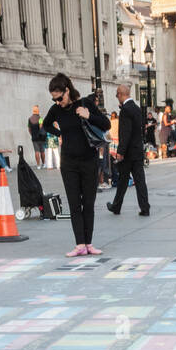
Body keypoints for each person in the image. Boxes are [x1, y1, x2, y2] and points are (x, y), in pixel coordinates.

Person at [42, 71, 110, 257]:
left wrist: (89, 116)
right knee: (74, 204)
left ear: (67, 90)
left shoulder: (85, 104)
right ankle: (79, 244)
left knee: (88, 203)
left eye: (59, 98)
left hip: (89, 160)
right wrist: (59, 134)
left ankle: (89, 243)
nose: (57, 102)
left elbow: (106, 124)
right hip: (69, 163)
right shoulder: (55, 110)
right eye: (54, 99)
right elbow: (45, 125)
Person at [107, 82, 150, 218]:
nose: (116, 97)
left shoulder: (125, 110)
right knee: (140, 181)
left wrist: (120, 152)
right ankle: (145, 207)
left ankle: (116, 206)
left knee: (123, 181)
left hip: (128, 153)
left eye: (116, 95)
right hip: (137, 151)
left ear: (120, 94)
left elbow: (125, 133)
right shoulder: (137, 108)